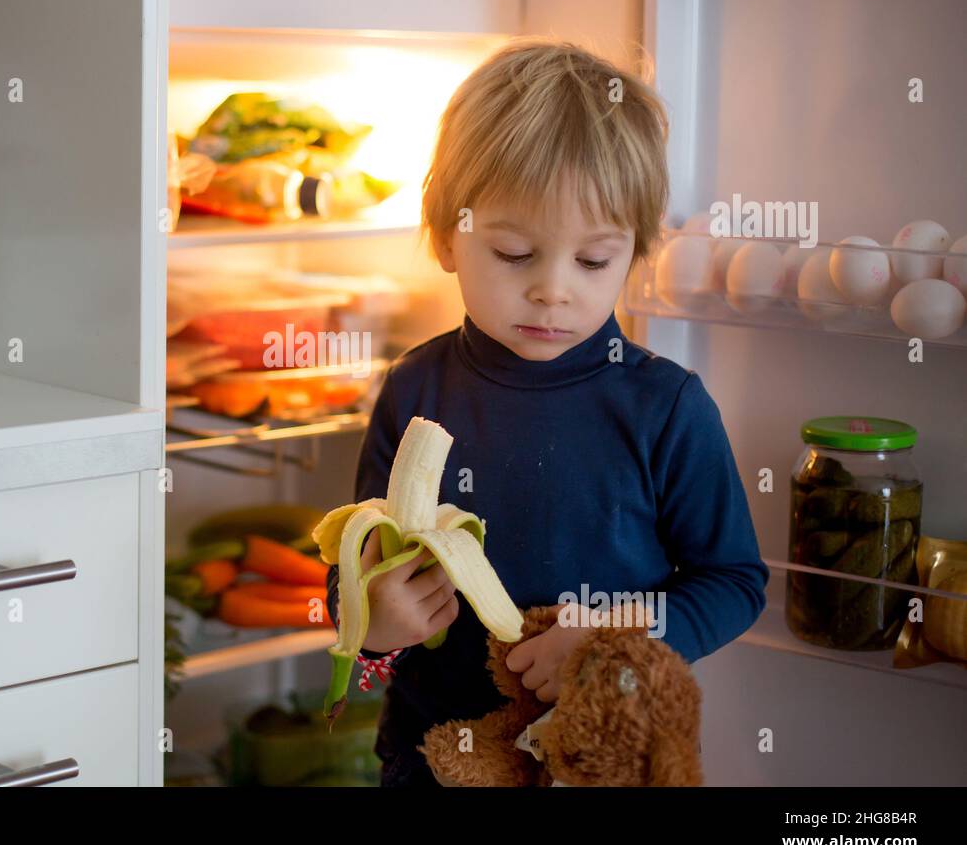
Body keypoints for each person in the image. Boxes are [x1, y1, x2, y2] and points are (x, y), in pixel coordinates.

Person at [326, 39, 768, 787]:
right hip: (435, 758)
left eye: (593, 261)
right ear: (444, 236)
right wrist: (372, 624)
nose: (553, 290)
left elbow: (733, 582)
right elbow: (354, 580)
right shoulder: (414, 389)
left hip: (601, 760)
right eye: (514, 252)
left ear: (633, 255)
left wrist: (617, 635)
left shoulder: (666, 407)